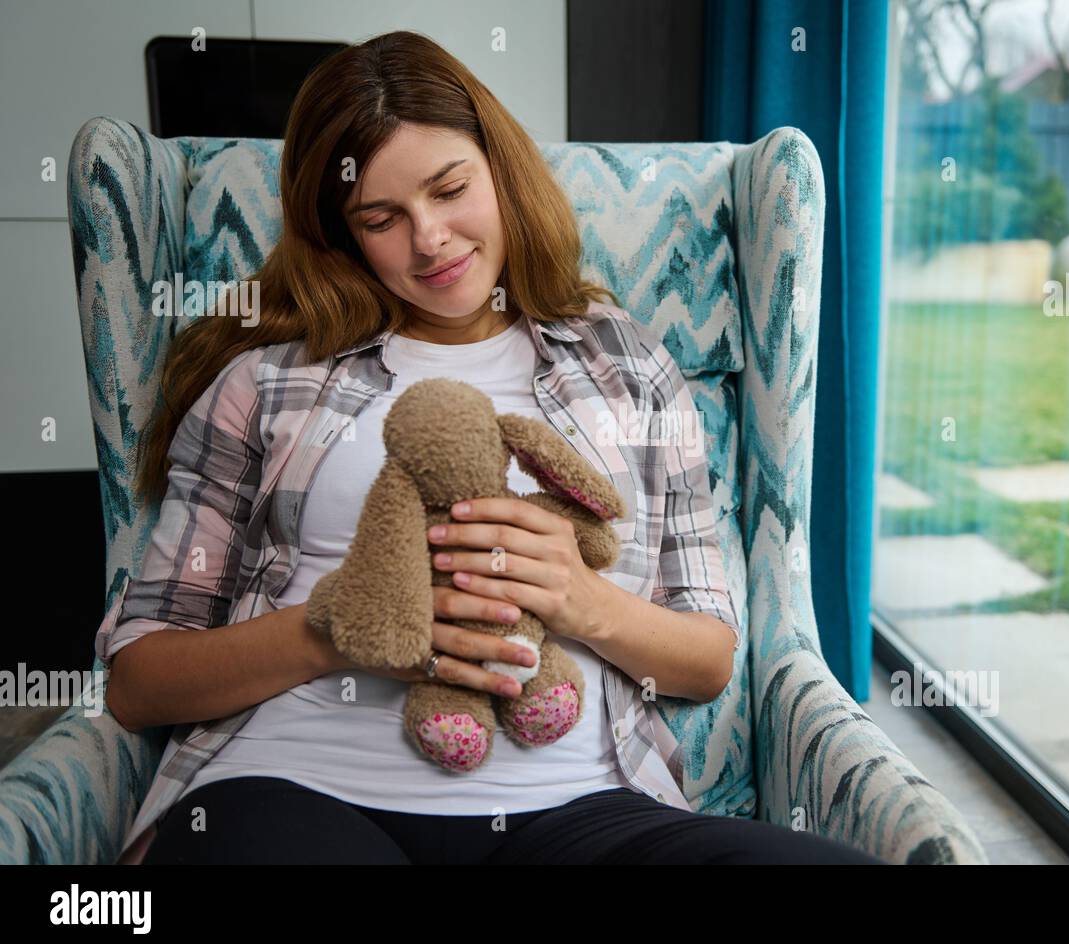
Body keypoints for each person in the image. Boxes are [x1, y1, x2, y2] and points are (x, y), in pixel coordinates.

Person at [99, 29, 882, 865]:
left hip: (577, 808)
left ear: (498, 169)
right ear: (343, 232)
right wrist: (334, 630)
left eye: (449, 189)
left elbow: (710, 658)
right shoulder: (268, 383)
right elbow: (142, 682)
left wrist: (582, 600)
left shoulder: (625, 363)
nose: (429, 238)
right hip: (296, 788)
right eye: (382, 217)